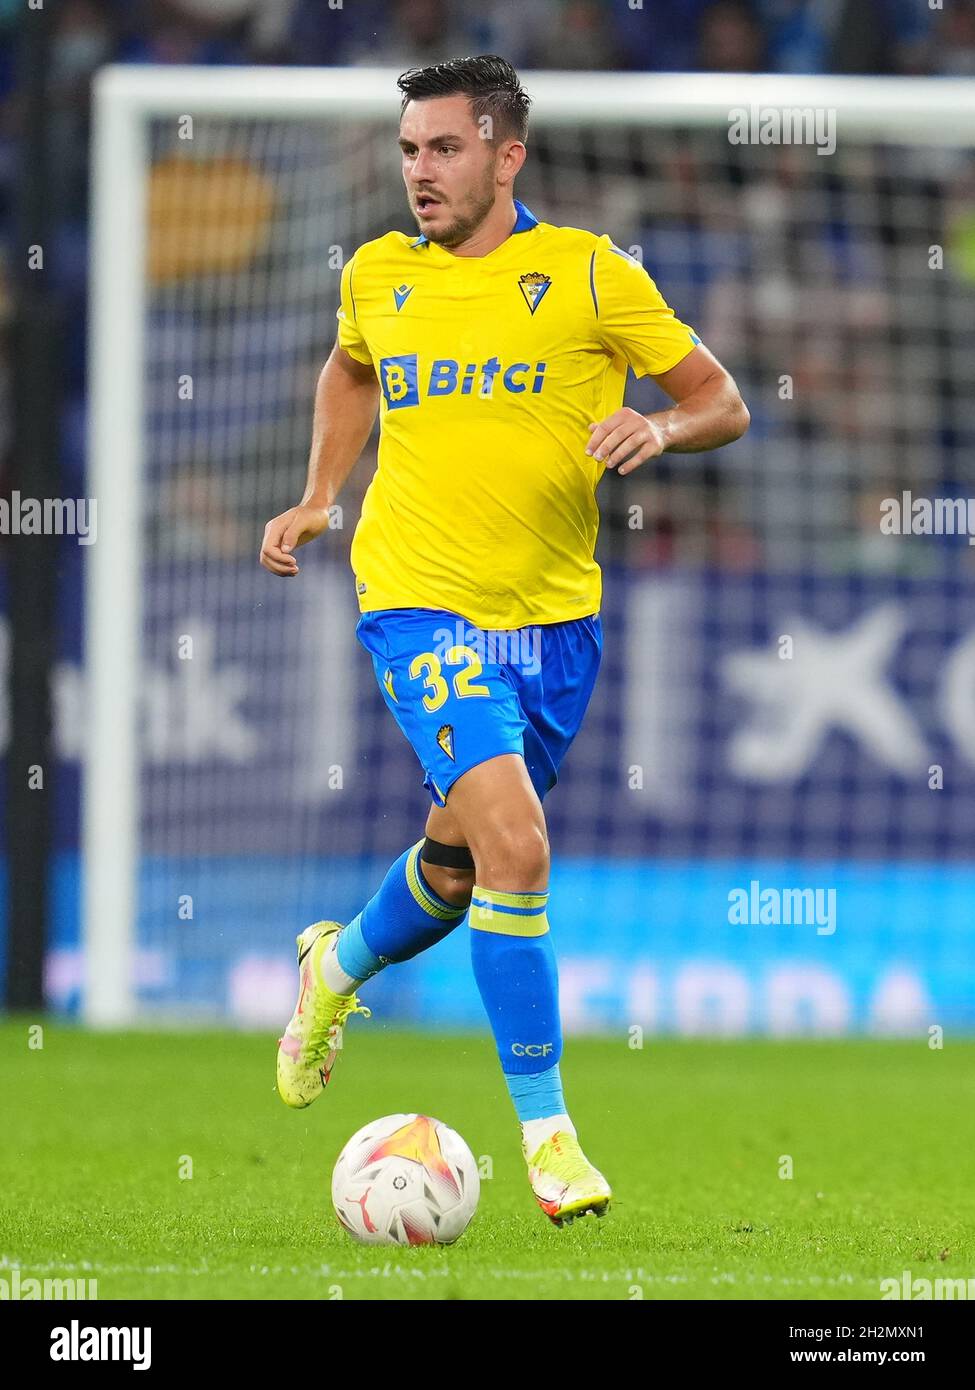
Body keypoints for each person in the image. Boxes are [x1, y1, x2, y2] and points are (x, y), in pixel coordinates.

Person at [259, 55, 749, 1226]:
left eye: (444, 149)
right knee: (519, 846)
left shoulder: (587, 273)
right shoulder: (380, 273)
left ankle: (331, 971)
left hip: (553, 628)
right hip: (417, 605)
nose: (419, 172)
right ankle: (552, 1138)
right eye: (409, 151)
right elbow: (350, 368)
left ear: (505, 155)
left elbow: (723, 399)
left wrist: (661, 426)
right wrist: (325, 491)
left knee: (460, 862)